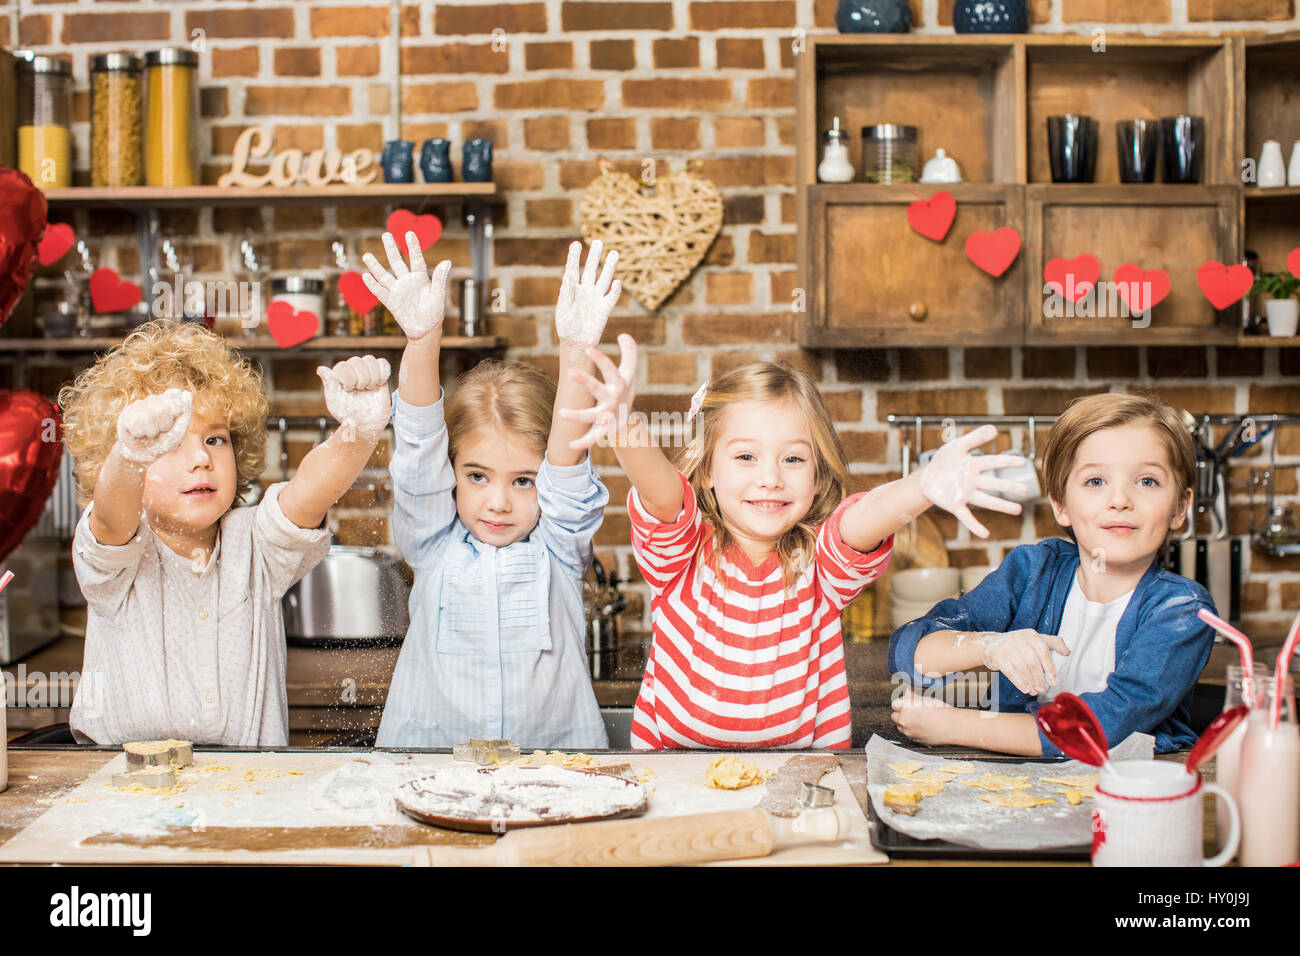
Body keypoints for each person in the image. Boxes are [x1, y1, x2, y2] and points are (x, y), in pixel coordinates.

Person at [559, 334, 1023, 749]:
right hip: (674, 772)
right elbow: (661, 496)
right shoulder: (681, 554)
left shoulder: (820, 567)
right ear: (707, 474)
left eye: (793, 459)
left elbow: (858, 525)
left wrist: (922, 486)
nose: (770, 478)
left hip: (805, 777)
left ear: (818, 479)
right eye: (745, 456)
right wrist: (627, 430)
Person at [59, 320, 391, 745]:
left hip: (248, 792)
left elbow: (309, 494)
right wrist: (129, 459)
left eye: (215, 439)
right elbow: (111, 517)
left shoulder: (256, 545)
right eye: (170, 443)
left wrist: (358, 435)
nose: (200, 458)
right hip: (124, 787)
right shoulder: (117, 560)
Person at [372, 232, 618, 748]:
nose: (499, 502)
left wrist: (577, 353)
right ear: (452, 472)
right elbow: (419, 447)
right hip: (427, 765)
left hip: (556, 772)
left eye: (524, 481)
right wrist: (422, 341)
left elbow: (567, 464)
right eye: (477, 476)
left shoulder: (560, 549)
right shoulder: (432, 544)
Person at [888, 392, 1215, 756]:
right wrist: (990, 646)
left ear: (1180, 507)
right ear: (1060, 505)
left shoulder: (1183, 610)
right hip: (1012, 792)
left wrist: (955, 726)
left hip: (1127, 797)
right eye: (1095, 481)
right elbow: (911, 652)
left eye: (1147, 481)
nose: (1120, 499)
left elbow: (1102, 728)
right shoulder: (1033, 572)